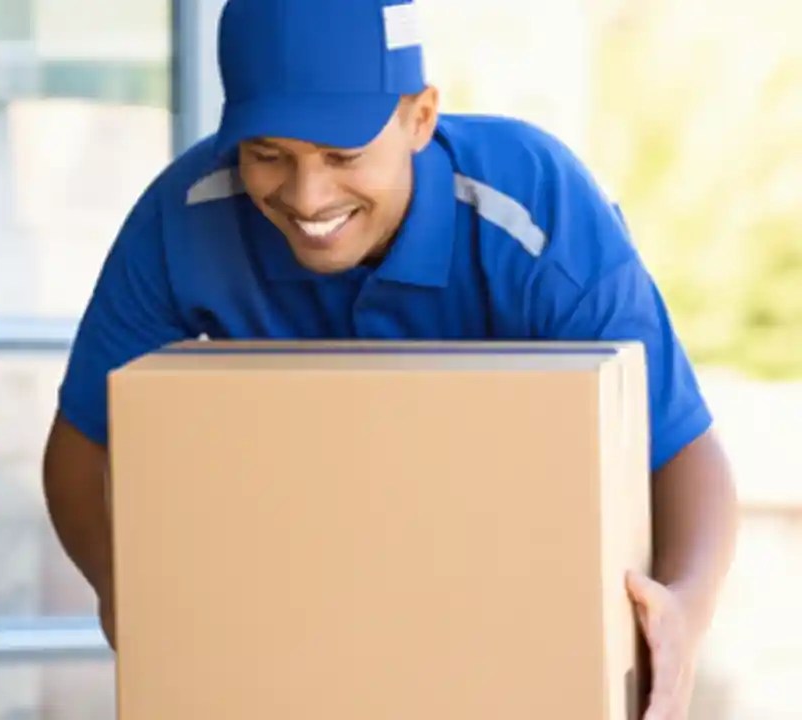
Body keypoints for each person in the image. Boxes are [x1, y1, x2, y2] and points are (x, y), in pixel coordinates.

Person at [42, 0, 737, 716]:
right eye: (267, 155)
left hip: (509, 601)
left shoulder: (534, 204)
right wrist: (127, 597)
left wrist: (683, 613)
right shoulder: (184, 214)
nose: (306, 197)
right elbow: (78, 446)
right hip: (298, 615)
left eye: (343, 156)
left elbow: (681, 446)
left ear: (420, 118)